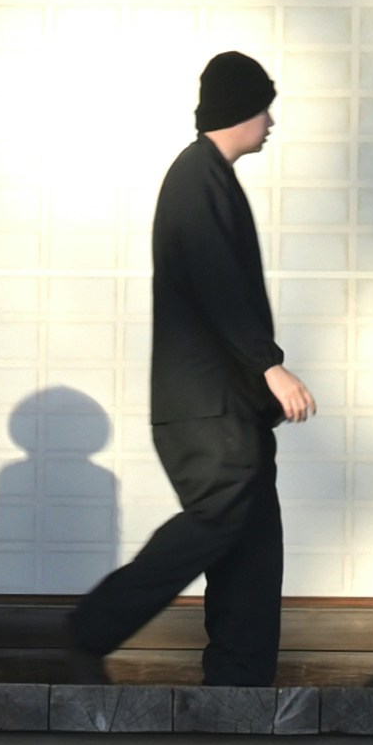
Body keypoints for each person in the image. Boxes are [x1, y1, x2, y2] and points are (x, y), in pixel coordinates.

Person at [63, 47, 316, 684]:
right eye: (266, 107)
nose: (271, 122)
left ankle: (241, 683)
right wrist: (270, 367)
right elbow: (218, 282)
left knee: (255, 545)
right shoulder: (197, 177)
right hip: (206, 408)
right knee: (218, 518)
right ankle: (90, 628)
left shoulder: (209, 177)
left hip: (227, 408)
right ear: (242, 109)